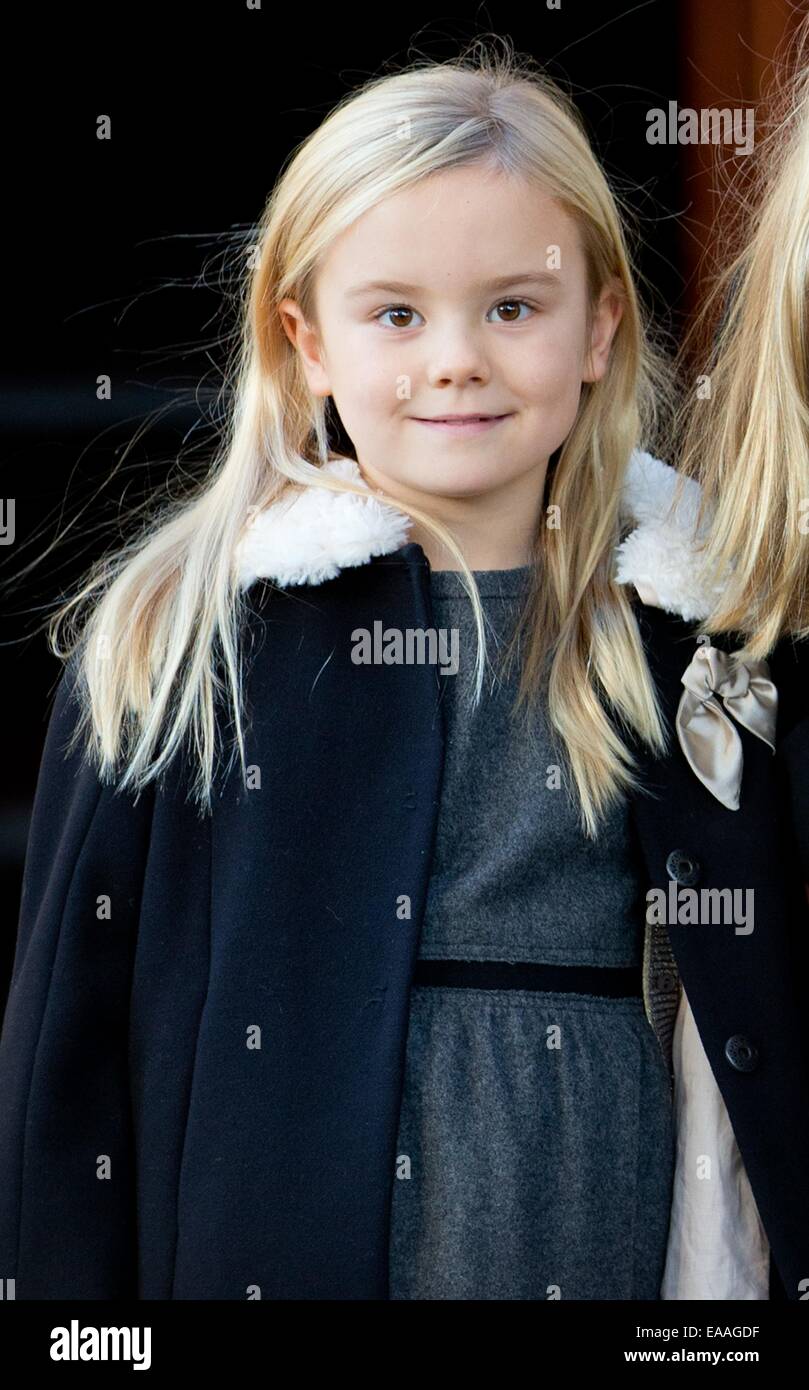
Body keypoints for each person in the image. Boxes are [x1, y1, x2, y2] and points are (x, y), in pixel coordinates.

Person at [1, 37, 808, 1302]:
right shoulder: (190, 637)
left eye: (511, 306)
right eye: (394, 313)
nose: (453, 359)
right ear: (304, 340)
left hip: (604, 1205)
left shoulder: (696, 630)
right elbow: (69, 1052)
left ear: (598, 325)